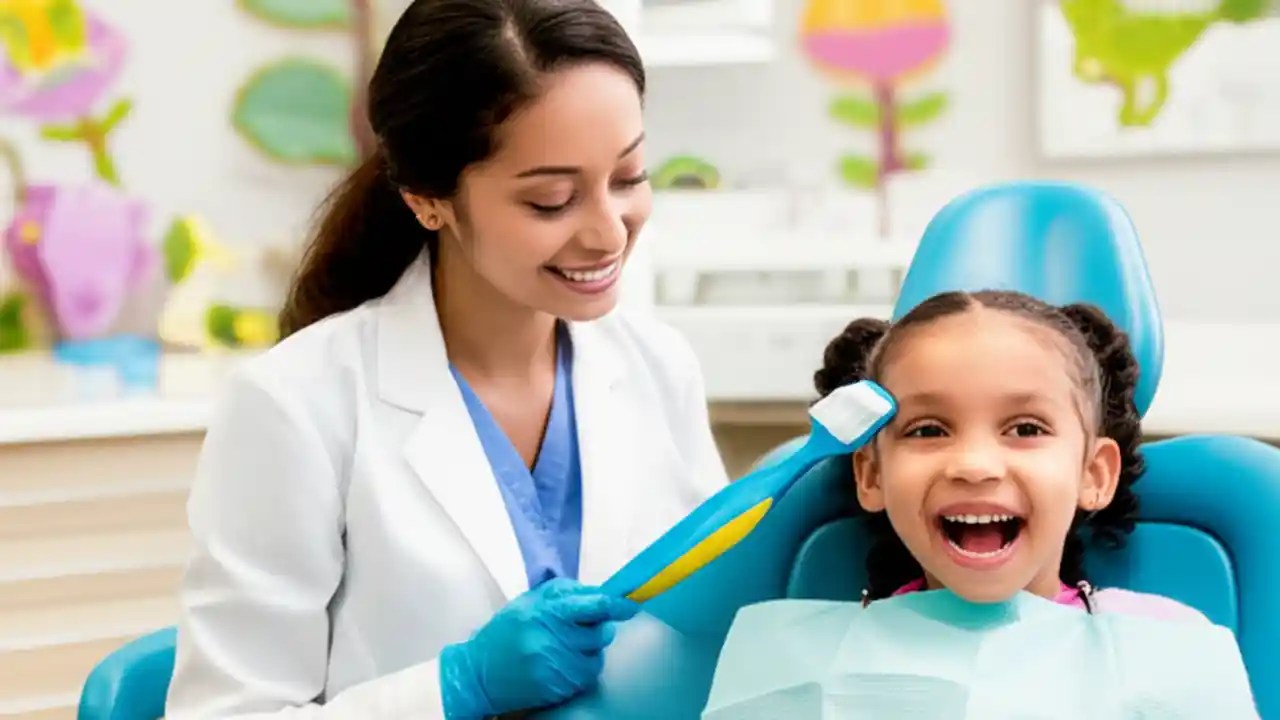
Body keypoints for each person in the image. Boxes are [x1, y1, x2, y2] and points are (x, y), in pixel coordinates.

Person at [164, 0, 729, 717]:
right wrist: (457, 687)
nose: (608, 232)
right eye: (552, 201)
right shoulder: (296, 405)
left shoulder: (658, 365)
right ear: (428, 199)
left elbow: (715, 627)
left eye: (628, 177)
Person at [703, 289, 1257, 717]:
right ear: (871, 473)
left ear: (1093, 473)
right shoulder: (798, 666)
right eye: (927, 430)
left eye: (1024, 427)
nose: (973, 464)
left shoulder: (1168, 653)